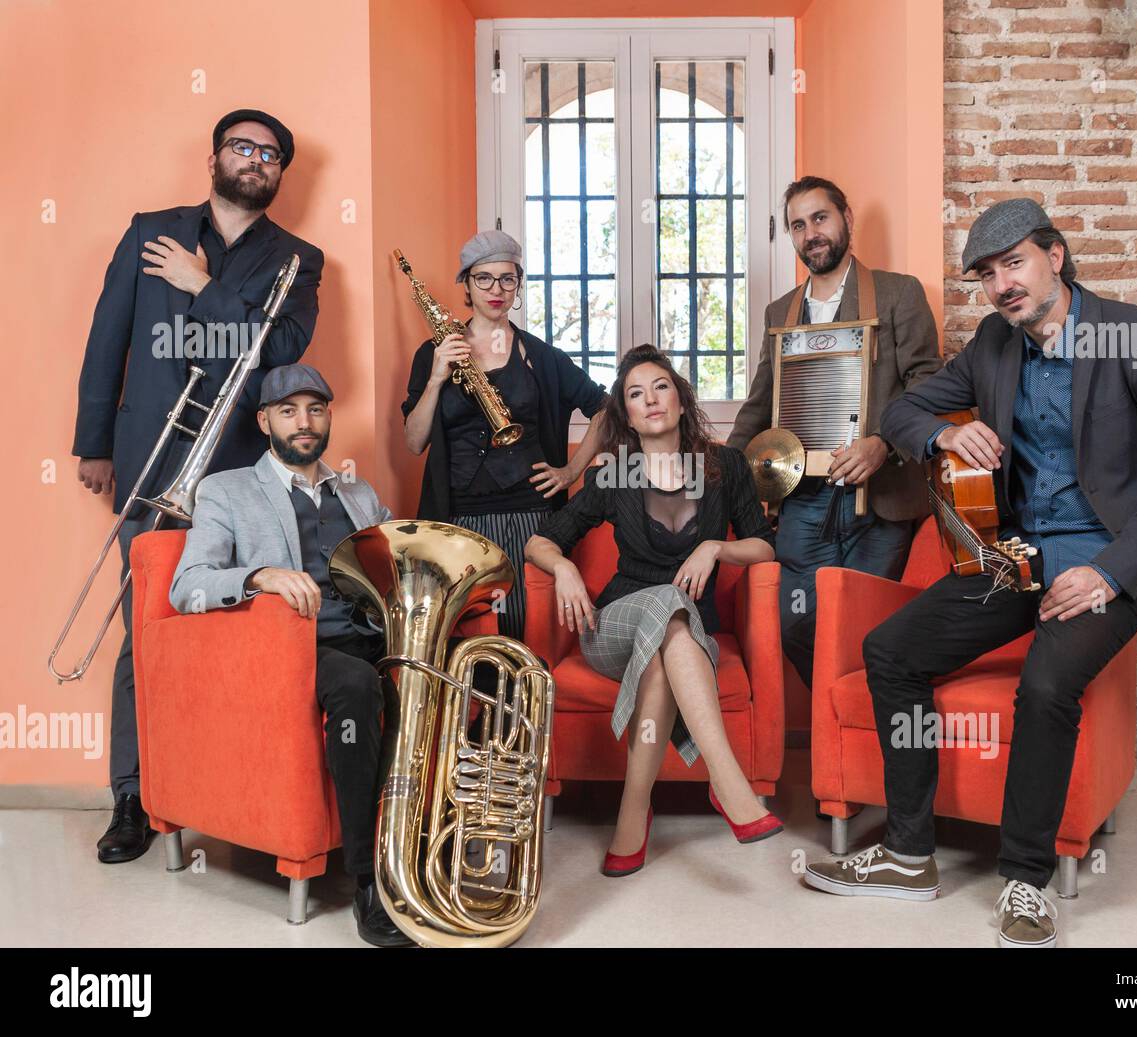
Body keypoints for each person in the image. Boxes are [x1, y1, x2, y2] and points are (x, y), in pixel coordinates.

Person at [802, 198, 1137, 948]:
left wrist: (1108, 575)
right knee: (890, 651)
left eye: (1014, 263)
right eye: (987, 275)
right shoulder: (994, 345)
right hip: (1017, 560)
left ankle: (1026, 882)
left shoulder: (1135, 334)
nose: (1001, 285)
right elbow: (899, 415)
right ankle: (907, 851)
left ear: (1055, 256)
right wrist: (945, 433)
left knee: (1048, 683)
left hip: (1113, 559)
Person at [71, 108, 324, 865]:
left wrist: (204, 287)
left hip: (239, 470)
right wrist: (93, 442)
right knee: (145, 628)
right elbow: (108, 332)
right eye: (244, 147)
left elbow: (280, 351)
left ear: (280, 172)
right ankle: (134, 795)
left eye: (271, 154)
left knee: (235, 628)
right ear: (214, 157)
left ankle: (225, 791)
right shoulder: (152, 228)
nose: (257, 160)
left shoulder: (298, 259)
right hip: (152, 456)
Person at [169, 364, 410, 948]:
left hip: (373, 637)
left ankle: (432, 851)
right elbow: (186, 586)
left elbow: (397, 569)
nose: (305, 422)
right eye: (288, 410)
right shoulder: (226, 490)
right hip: (298, 650)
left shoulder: (359, 493)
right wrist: (260, 576)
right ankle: (367, 883)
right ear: (264, 421)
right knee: (356, 686)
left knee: (450, 677)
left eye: (316, 409)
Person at [524, 345, 783, 878]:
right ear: (627, 414)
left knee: (670, 641)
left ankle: (630, 817)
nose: (651, 399)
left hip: (686, 636)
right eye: (635, 394)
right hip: (613, 628)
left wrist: (716, 548)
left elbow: (763, 547)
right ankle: (728, 783)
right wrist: (567, 570)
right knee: (669, 601)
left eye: (660, 386)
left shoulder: (724, 466)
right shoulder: (613, 474)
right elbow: (542, 542)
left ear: (681, 400)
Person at [726, 176, 941, 692]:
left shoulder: (898, 293)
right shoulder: (782, 312)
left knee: (867, 627)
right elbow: (760, 402)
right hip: (802, 499)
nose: (810, 234)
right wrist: (723, 471)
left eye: (820, 218)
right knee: (795, 622)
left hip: (881, 498)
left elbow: (929, 383)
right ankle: (839, 726)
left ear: (847, 218)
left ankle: (851, 755)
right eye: (798, 226)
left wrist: (883, 444)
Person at [402, 230, 608, 640]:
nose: (496, 289)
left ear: (518, 284)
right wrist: (436, 379)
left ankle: (524, 706)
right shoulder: (433, 354)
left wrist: (570, 472)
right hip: (458, 517)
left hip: (528, 514)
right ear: (466, 283)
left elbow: (605, 409)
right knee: (466, 634)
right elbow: (413, 441)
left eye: (507, 279)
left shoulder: (542, 356)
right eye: (484, 279)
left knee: (526, 630)